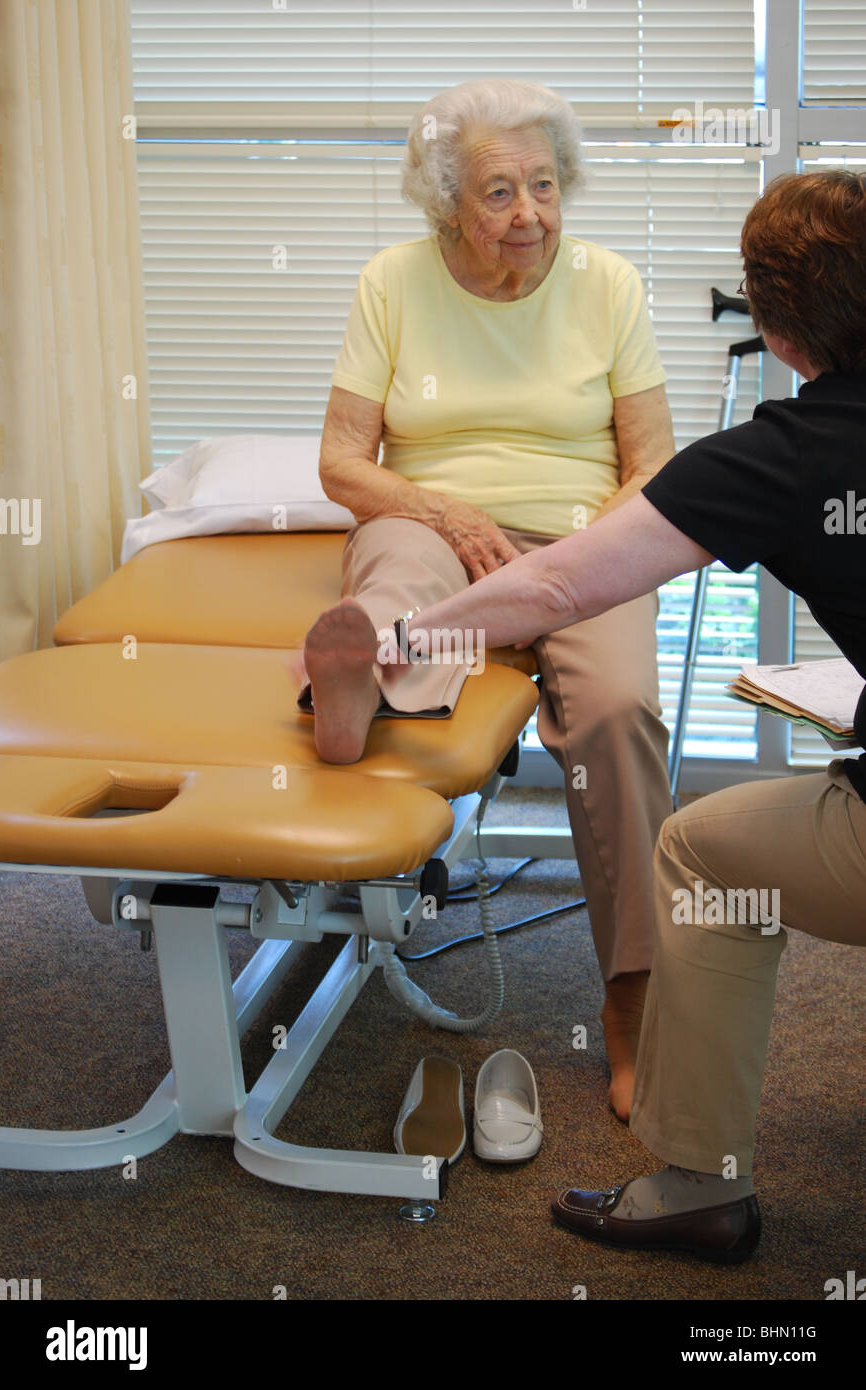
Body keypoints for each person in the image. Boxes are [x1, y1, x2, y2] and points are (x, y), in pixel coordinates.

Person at [373, 168, 866, 1263]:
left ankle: (699, 1184)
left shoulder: (781, 457)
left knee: (697, 853)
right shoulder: (395, 290)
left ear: (781, 336)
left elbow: (555, 589)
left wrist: (400, 642)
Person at [301, 78, 677, 1122]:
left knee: (617, 711)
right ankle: (353, 680)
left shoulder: (608, 286)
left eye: (544, 186)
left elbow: (654, 463)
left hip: (582, 535)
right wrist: (438, 506)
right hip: (431, 518)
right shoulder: (394, 282)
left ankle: (634, 1003)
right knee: (399, 580)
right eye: (499, 192)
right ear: (446, 206)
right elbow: (342, 462)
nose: (529, 214)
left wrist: (598, 547)